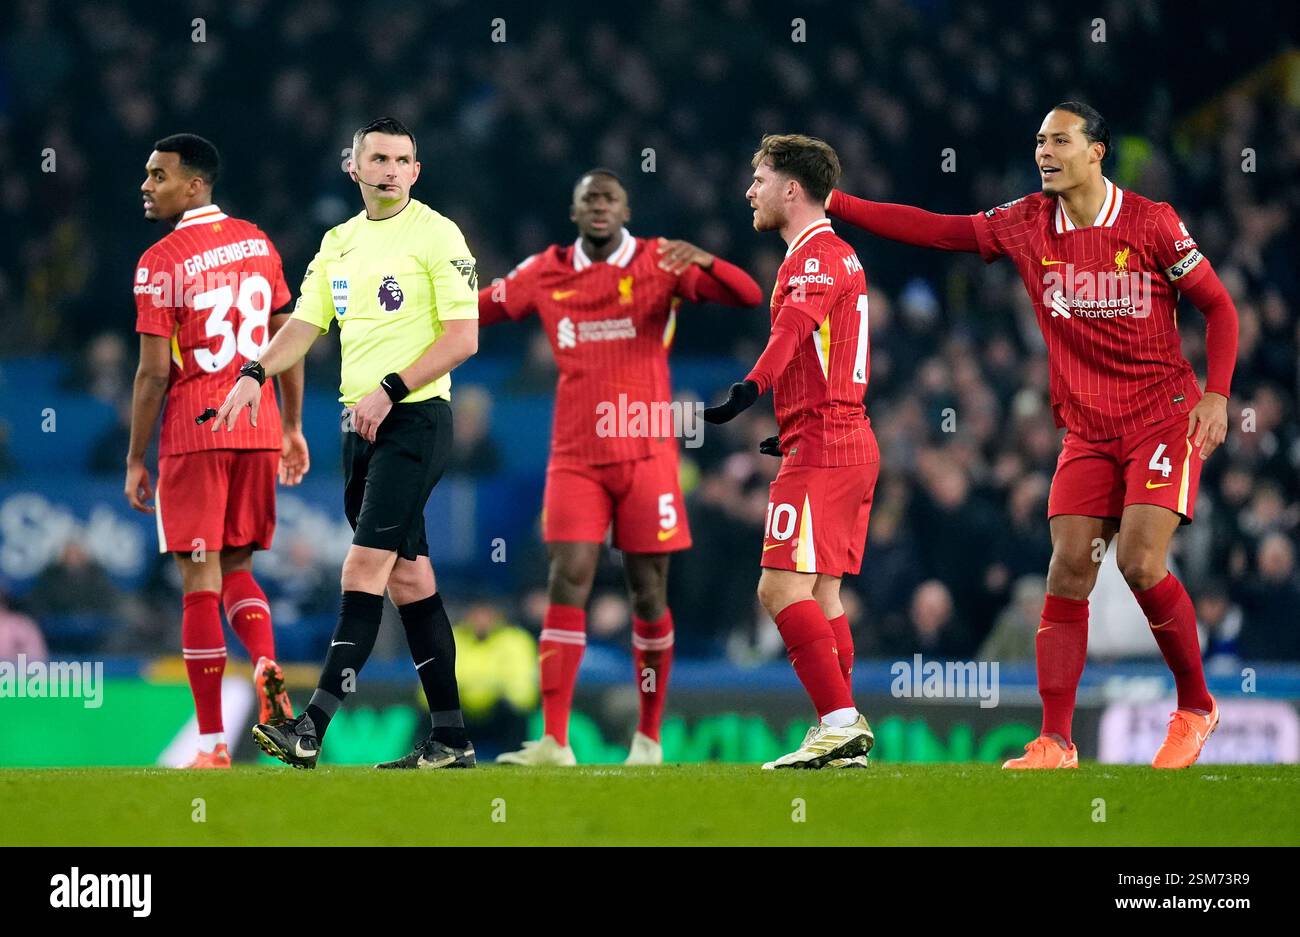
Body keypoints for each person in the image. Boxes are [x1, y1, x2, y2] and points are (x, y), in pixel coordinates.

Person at [827, 102, 1240, 769]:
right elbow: (939, 232)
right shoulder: (1026, 222)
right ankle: (1056, 739)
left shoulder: (1151, 222)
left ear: (1097, 151)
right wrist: (838, 201)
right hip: (1088, 428)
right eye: (1039, 141)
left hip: (1162, 415)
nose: (1044, 152)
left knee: (1138, 560)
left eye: (1060, 140)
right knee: (1069, 565)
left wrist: (1217, 394)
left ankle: (1196, 705)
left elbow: (1219, 307)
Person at [214, 117, 480, 770]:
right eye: (378, 158)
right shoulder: (338, 244)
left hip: (414, 421)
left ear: (416, 172)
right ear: (353, 167)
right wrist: (255, 371)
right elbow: (305, 323)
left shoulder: (439, 235)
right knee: (411, 582)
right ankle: (451, 738)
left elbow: (464, 337)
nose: (390, 169)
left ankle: (309, 728)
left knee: (362, 569)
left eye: (402, 160)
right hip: (359, 430)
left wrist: (391, 387)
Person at [480, 169, 762, 766]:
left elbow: (747, 295)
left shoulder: (662, 262)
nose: (600, 207)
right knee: (568, 577)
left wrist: (705, 260)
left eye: (610, 198)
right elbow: (479, 311)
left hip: (647, 455)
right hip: (577, 458)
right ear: (576, 210)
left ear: (626, 207)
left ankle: (649, 738)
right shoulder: (546, 271)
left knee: (648, 593)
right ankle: (554, 741)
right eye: (590, 199)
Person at [126, 133, 306, 769]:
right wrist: (292, 426)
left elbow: (151, 375)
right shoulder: (258, 242)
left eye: (158, 175)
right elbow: (288, 338)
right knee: (239, 571)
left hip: (196, 431)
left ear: (194, 184)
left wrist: (135, 457)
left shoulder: (160, 260)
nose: (147, 185)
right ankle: (264, 664)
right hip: (257, 427)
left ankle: (209, 746)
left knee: (198, 585)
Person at [704, 134, 878, 770]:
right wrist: (797, 414)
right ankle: (843, 736)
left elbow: (793, 330)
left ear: (791, 189)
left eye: (759, 178)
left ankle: (836, 720)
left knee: (778, 588)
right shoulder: (843, 256)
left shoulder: (812, 258)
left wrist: (751, 389)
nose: (750, 191)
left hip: (827, 444)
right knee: (823, 594)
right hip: (842, 435)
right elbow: (831, 349)